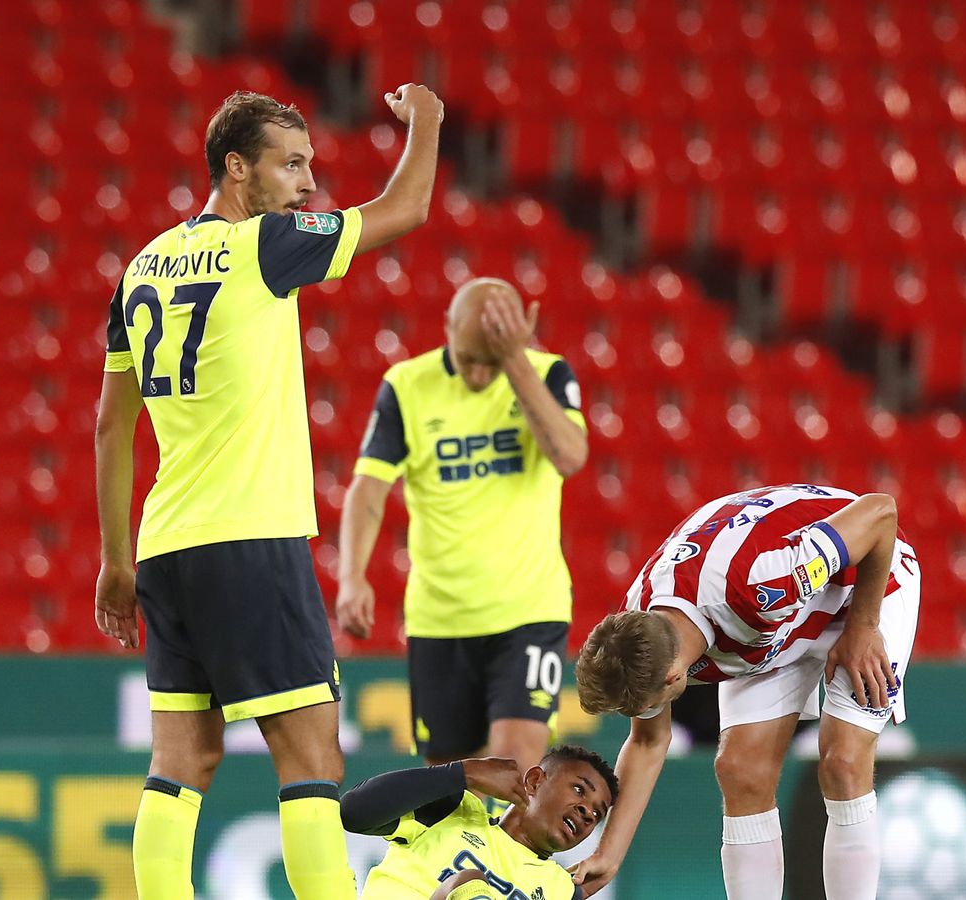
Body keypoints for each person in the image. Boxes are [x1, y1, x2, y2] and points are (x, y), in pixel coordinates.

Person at [92, 84, 444, 900]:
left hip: (166, 545)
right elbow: (407, 207)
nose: (308, 183)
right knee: (312, 755)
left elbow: (112, 426)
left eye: (309, 165)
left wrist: (115, 561)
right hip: (250, 538)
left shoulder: (139, 269)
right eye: (290, 165)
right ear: (236, 167)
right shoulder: (264, 245)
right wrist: (427, 121)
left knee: (181, 760)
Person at [569, 484, 921, 900]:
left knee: (843, 760)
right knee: (739, 769)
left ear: (673, 679)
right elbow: (647, 742)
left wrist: (863, 626)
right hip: (770, 624)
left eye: (640, 706)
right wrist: (608, 855)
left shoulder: (764, 581)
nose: (638, 714)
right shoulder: (639, 635)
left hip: (866, 585)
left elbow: (880, 512)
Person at [336, 278, 588, 772]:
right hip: (440, 617)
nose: (477, 374)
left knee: (515, 765)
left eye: (489, 362)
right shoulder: (407, 385)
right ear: (447, 327)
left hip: (529, 609)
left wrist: (514, 362)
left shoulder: (548, 374)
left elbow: (570, 456)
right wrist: (351, 576)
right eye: (469, 358)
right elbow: (368, 487)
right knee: (448, 782)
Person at [341, 745, 620, 899]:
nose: (587, 812)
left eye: (597, 814)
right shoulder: (453, 811)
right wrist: (461, 773)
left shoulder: (560, 889)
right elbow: (353, 812)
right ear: (535, 781)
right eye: (579, 790)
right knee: (467, 881)